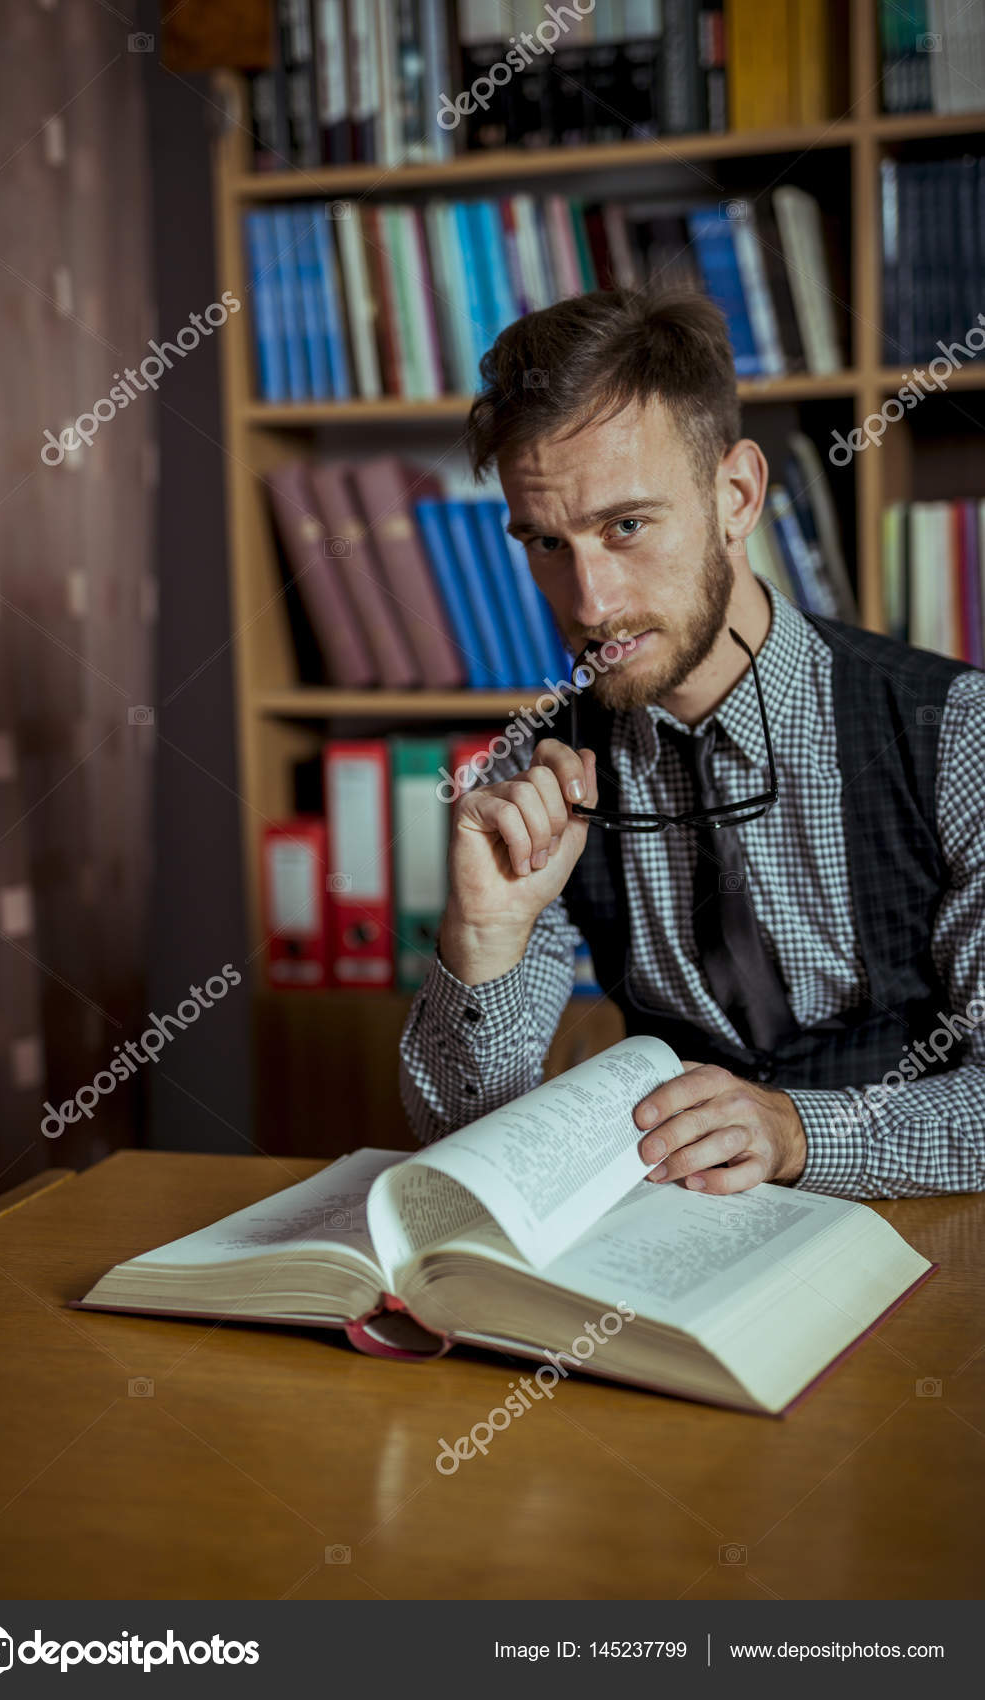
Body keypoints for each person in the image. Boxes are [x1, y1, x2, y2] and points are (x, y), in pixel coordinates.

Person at [399, 287, 985, 1200]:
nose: (589, 604)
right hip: (674, 1255)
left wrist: (795, 1134)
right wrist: (484, 937)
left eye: (626, 526)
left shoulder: (954, 735)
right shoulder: (539, 772)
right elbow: (463, 1145)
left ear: (736, 495)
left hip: (932, 1244)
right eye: (547, 543)